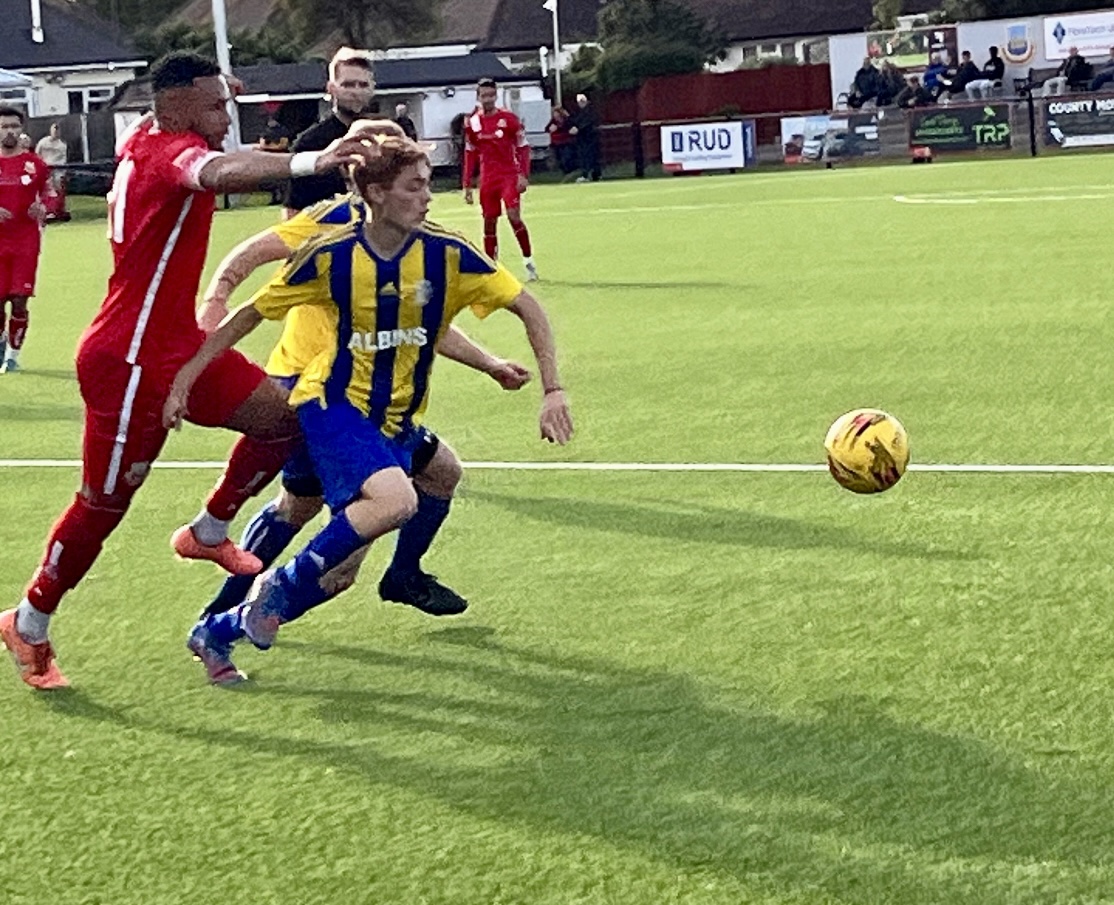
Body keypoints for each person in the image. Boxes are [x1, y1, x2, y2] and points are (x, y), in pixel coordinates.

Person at [0, 51, 378, 691]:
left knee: (285, 419)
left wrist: (216, 91)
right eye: (213, 108)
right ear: (173, 108)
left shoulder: (153, 130)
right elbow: (219, 170)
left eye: (225, 105)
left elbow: (202, 124)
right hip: (130, 359)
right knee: (103, 504)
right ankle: (28, 622)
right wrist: (312, 160)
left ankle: (210, 528)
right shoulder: (168, 152)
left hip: (177, 342)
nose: (223, 117)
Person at [164, 137, 573, 678]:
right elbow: (252, 310)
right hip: (330, 404)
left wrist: (547, 386)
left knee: (373, 539)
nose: (429, 196)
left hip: (395, 417)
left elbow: (520, 306)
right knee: (380, 501)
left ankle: (221, 629)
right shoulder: (330, 245)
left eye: (429, 183)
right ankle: (263, 593)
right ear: (375, 191)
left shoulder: (445, 253)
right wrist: (187, 374)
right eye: (416, 186)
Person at [284, 46, 376, 218]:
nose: (356, 92)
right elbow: (292, 211)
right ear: (331, 88)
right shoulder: (310, 143)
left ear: (372, 88)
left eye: (363, 85)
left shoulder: (384, 136)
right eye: (347, 85)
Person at [463, 78, 538, 281]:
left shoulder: (509, 119)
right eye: (483, 95)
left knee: (514, 216)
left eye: (490, 95)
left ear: (496, 95)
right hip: (488, 178)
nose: (487, 99)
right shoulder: (474, 122)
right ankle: (491, 268)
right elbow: (470, 153)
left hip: (509, 175)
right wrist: (467, 184)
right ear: (478, 97)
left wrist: (523, 174)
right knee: (489, 221)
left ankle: (528, 261)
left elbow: (523, 146)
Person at [0, 106, 48, 375]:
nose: (10, 131)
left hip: (25, 242)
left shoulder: (35, 164)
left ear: (21, 129)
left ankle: (12, 357)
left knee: (19, 299)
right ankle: (0, 344)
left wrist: (45, 208)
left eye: (14, 126)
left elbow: (50, 193)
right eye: (4, 126)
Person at [35, 122, 69, 221]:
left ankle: (57, 211)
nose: (55, 132)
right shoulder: (43, 142)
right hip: (44, 169)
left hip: (57, 169)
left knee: (57, 189)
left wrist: (62, 172)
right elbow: (38, 154)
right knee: (44, 190)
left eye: (57, 130)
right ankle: (46, 211)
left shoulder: (61, 145)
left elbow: (63, 159)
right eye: (54, 129)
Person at [257, 114, 292, 204]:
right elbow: (262, 144)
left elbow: (283, 144)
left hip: (281, 159)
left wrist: (270, 147)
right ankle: (276, 198)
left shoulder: (283, 131)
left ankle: (284, 198)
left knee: (283, 182)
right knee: (273, 181)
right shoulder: (265, 131)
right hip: (270, 160)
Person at [568, 93, 601, 182]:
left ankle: (589, 175)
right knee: (587, 157)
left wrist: (578, 128)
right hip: (584, 139)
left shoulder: (589, 111)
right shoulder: (582, 111)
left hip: (589, 138)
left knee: (589, 157)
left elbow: (588, 122)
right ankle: (592, 175)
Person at [546, 105, 576, 174]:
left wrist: (559, 128)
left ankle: (568, 171)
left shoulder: (567, 121)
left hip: (565, 142)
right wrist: (550, 129)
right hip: (555, 143)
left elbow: (568, 129)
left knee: (566, 157)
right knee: (558, 158)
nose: (556, 116)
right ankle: (562, 170)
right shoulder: (553, 122)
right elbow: (547, 128)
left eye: (557, 114)